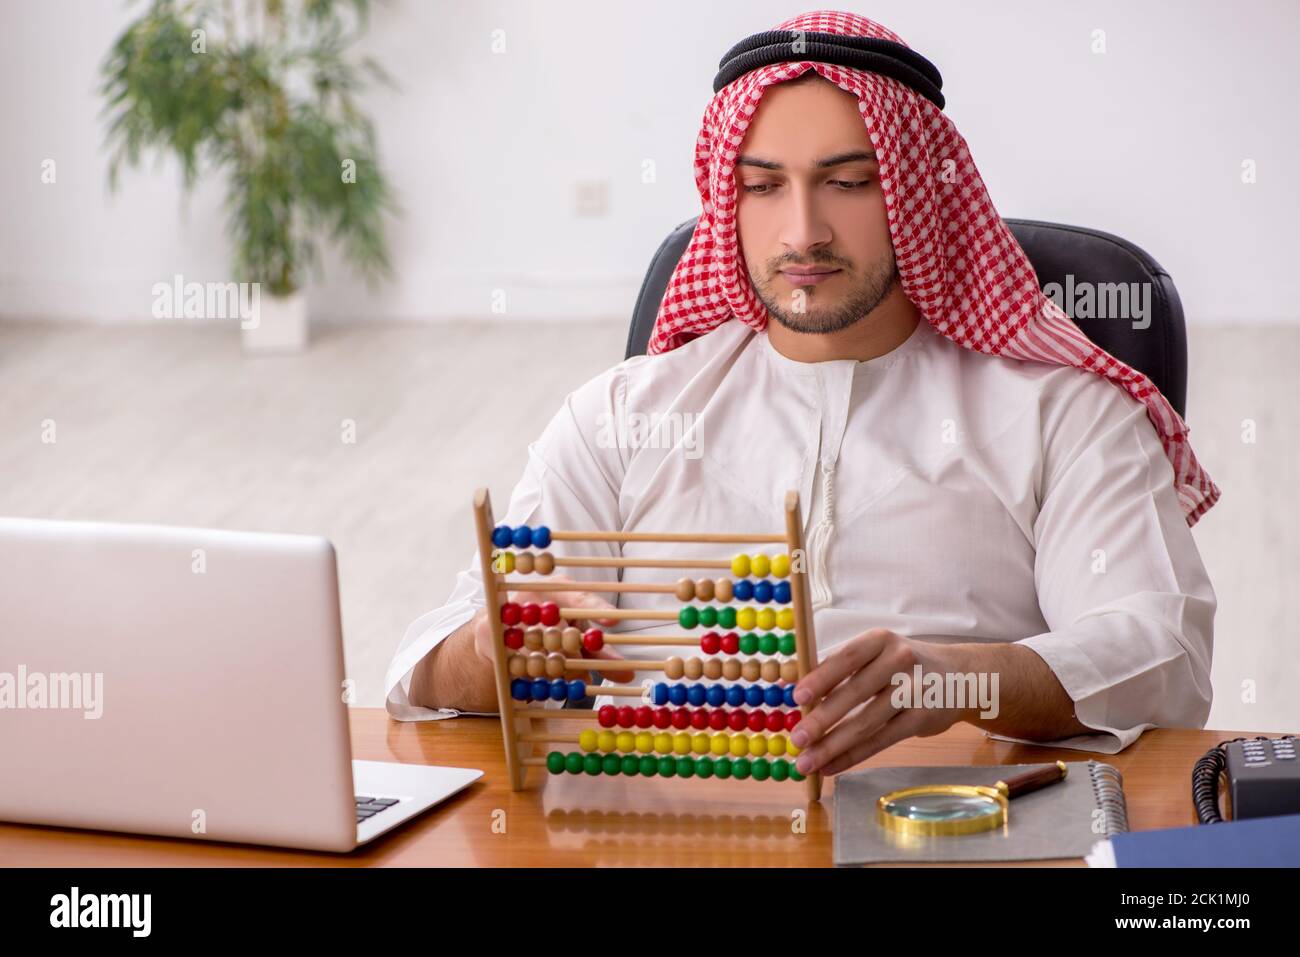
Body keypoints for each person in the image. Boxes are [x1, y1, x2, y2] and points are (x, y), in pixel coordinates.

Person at [384, 10, 1219, 775]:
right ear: (727, 200)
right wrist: (498, 651)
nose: (802, 231)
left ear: (916, 192)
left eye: (848, 183)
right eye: (763, 185)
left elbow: (1161, 652)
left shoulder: (1064, 414)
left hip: (953, 835)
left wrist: (951, 683)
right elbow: (425, 665)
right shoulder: (619, 417)